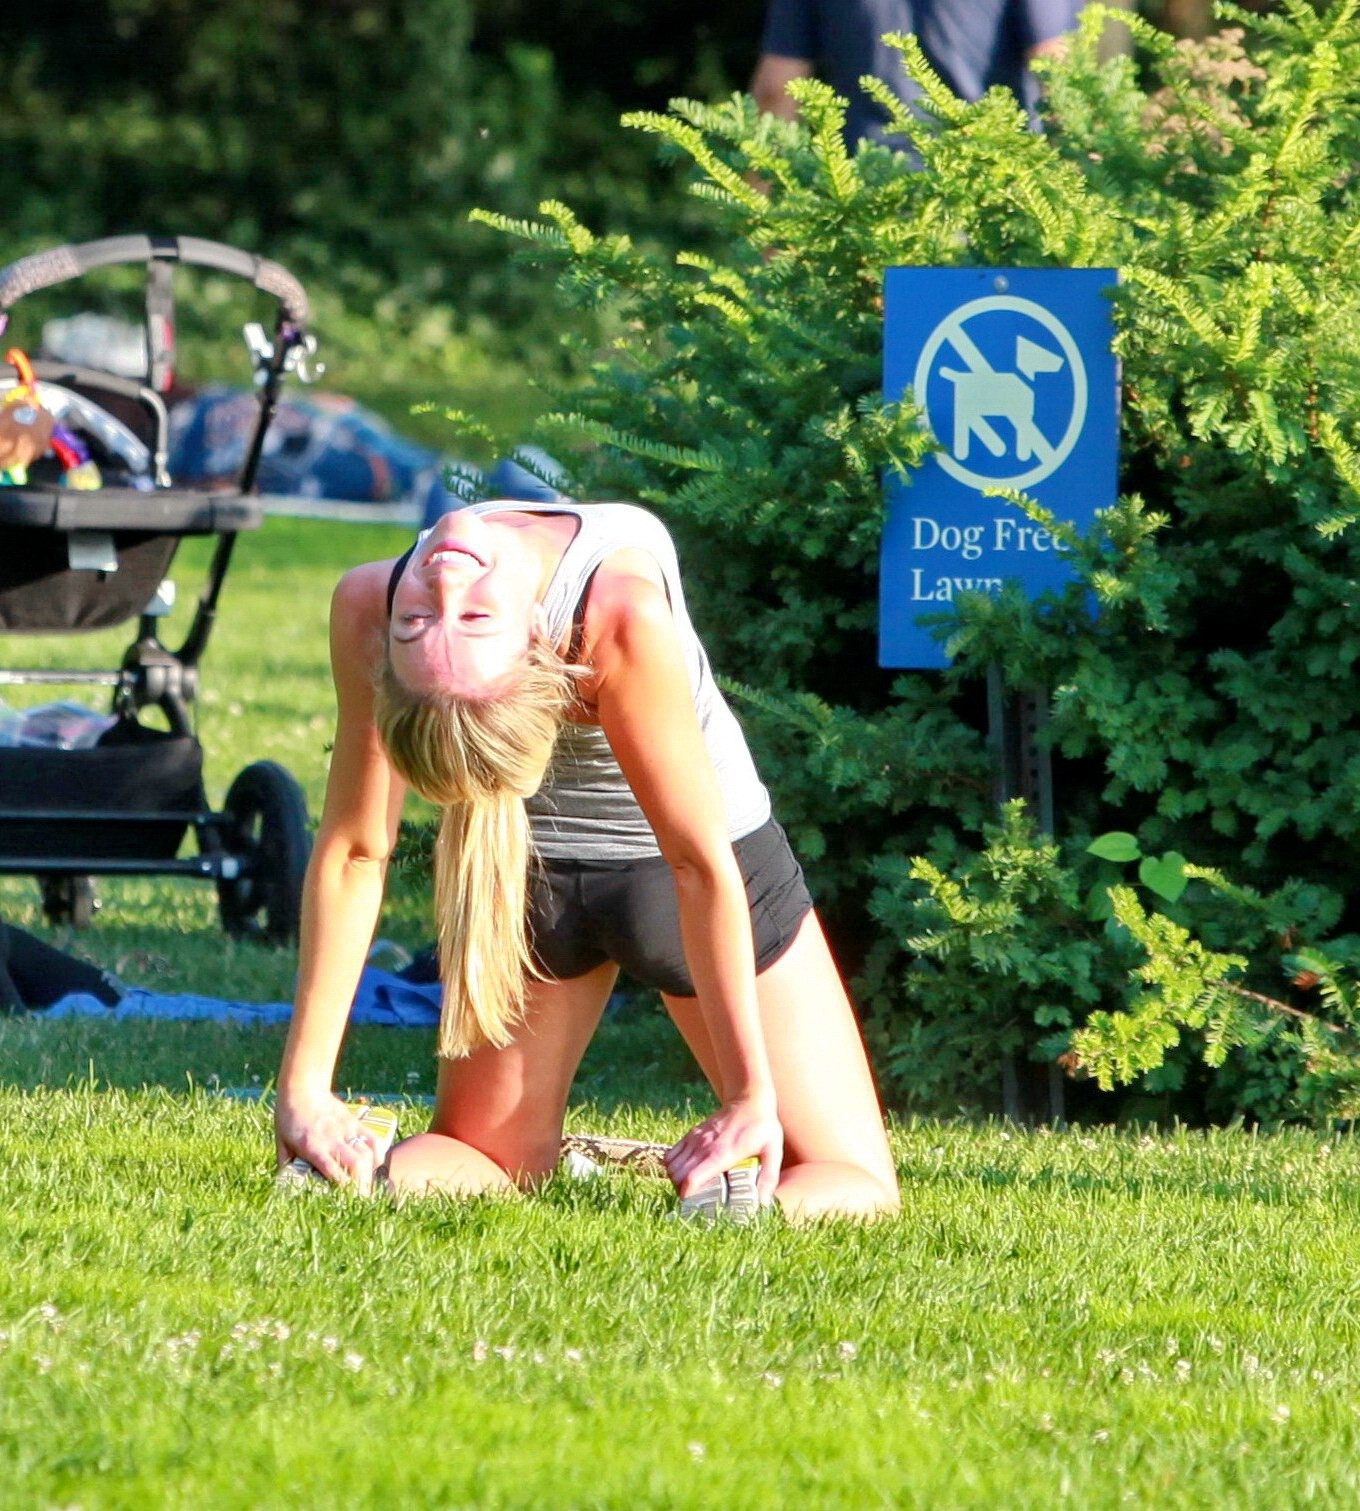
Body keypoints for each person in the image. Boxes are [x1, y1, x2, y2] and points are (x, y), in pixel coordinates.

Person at [274, 500, 901, 1222]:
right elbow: (697, 863)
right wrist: (305, 1092)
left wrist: (305, 1085)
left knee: (485, 1158)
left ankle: (363, 1175)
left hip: (575, 881)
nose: (443, 588)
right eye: (431, 623)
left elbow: (357, 851)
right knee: (852, 1174)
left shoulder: (379, 598)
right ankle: (348, 1170)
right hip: (568, 878)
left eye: (436, 617)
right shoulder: (612, 609)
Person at [751, 0, 1079, 148]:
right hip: (989, 190)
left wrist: (762, 223)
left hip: (866, 192)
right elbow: (1053, 64)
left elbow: (776, 88)